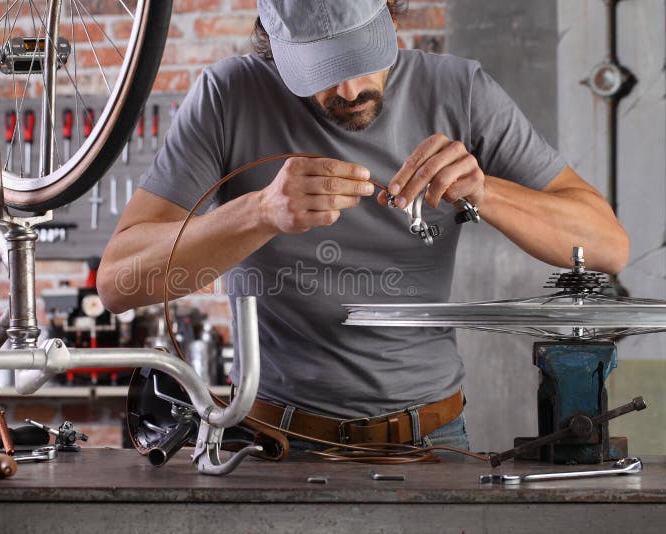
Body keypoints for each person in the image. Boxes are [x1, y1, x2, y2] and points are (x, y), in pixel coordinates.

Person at [97, 0, 629, 452]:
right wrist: (259, 211)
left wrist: (486, 191)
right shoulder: (227, 95)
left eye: (358, 57)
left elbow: (607, 246)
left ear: (391, 18)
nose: (348, 90)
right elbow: (119, 282)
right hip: (273, 441)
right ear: (273, 48)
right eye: (320, 70)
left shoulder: (460, 91)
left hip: (432, 437)